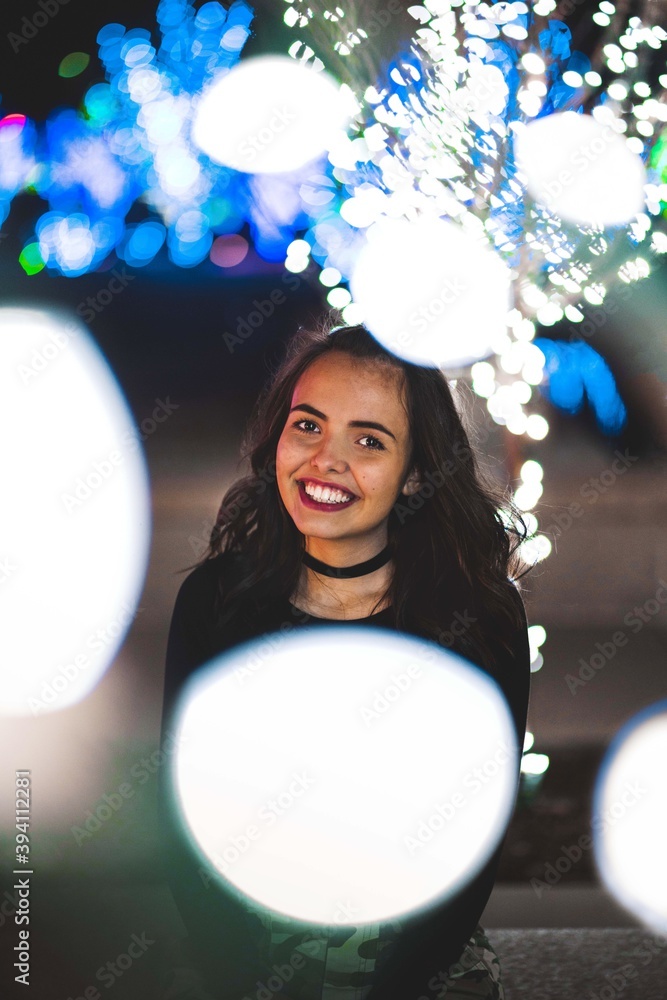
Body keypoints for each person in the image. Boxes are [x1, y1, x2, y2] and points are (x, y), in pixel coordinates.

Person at [159, 320, 533, 1000]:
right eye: (307, 426)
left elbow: (471, 852)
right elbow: (183, 829)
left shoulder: (479, 620)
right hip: (240, 943)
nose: (325, 460)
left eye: (368, 440)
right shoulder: (216, 602)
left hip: (416, 952)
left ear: (417, 471)